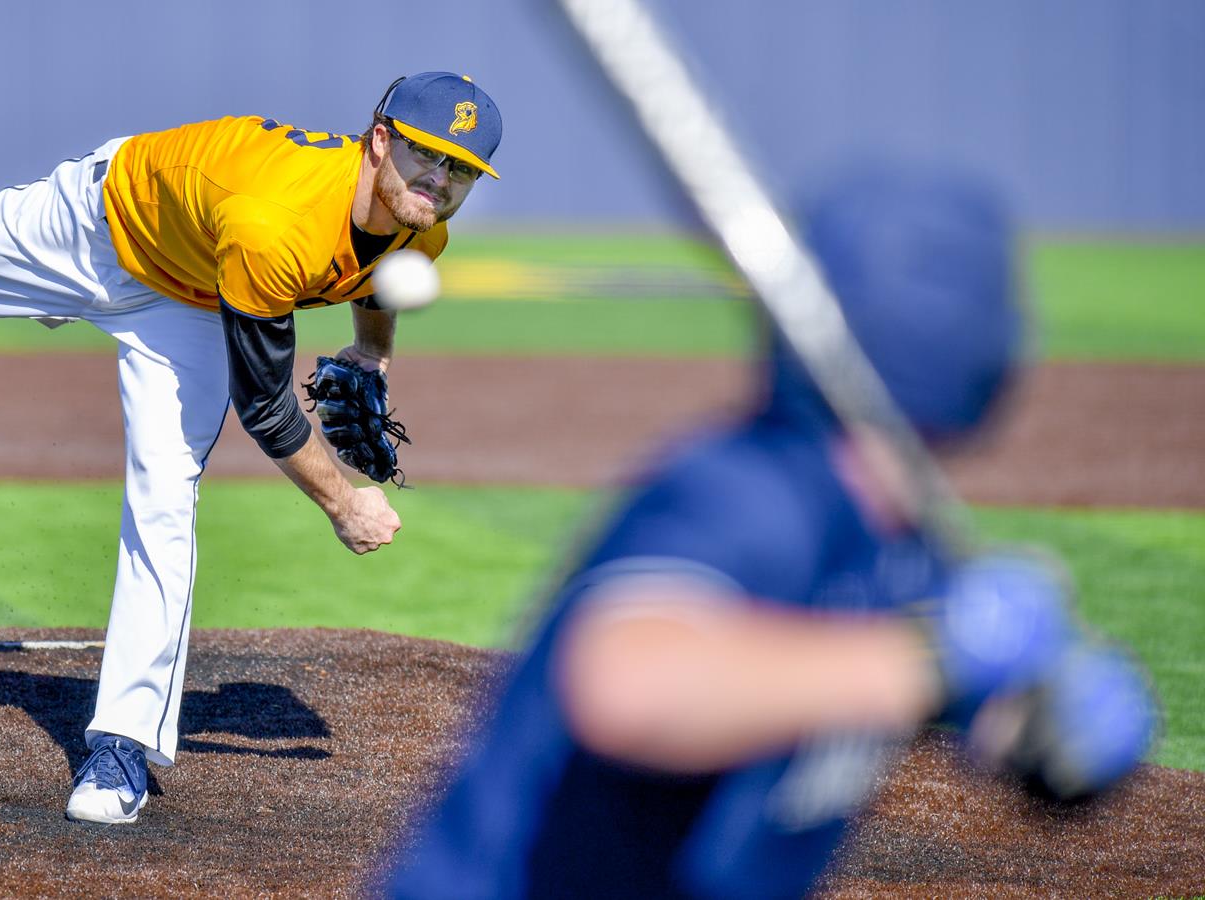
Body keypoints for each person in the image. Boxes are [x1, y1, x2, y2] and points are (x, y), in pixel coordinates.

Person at [383, 165, 1156, 898]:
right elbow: (628, 684)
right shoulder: (748, 492)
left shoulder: (906, 547)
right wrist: (930, 659)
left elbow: (923, 688)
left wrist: (1043, 732)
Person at [0, 72, 503, 824]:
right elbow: (265, 408)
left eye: (462, 167)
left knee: (164, 495)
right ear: (382, 139)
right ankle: (36, 283)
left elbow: (380, 277)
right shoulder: (279, 222)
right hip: (91, 222)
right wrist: (343, 504)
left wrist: (372, 356)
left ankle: (122, 747)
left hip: (190, 308)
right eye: (427, 153)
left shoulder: (426, 223)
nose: (441, 177)